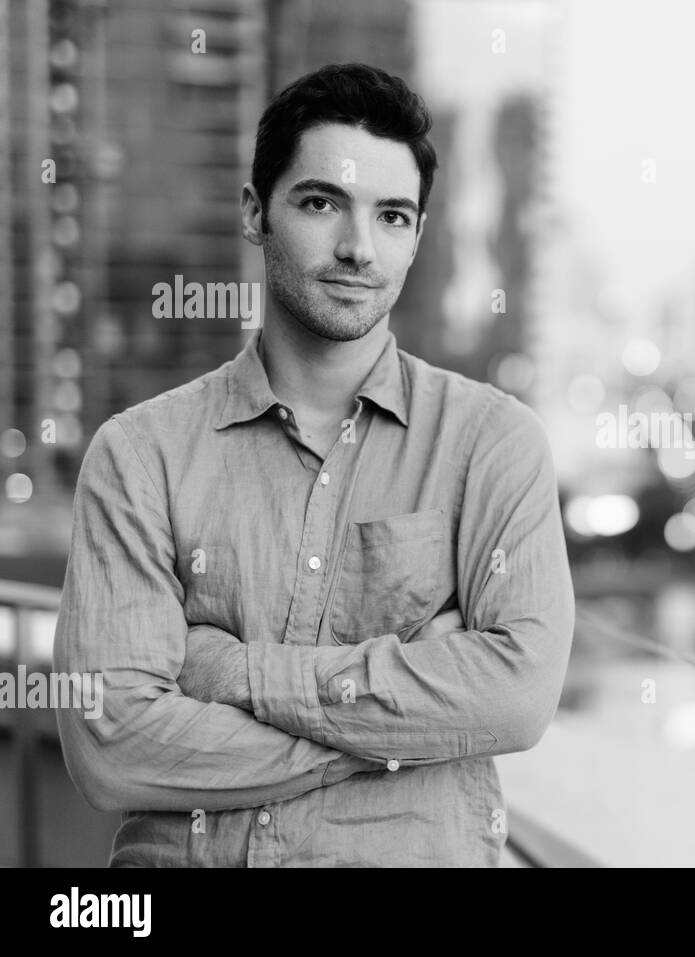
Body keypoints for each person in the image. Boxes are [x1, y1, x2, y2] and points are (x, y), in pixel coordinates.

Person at [53, 62, 575, 867]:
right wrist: (407, 728)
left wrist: (228, 671)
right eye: (322, 202)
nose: (357, 249)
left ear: (417, 237)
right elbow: (112, 744)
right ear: (255, 213)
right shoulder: (140, 453)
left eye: (392, 216)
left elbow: (517, 696)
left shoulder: (491, 443)